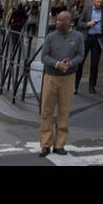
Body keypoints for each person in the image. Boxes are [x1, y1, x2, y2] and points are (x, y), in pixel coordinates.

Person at [38, 10, 85, 157]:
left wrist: (70, 64)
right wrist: (57, 64)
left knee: (64, 111)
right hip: (51, 76)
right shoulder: (51, 37)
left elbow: (80, 55)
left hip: (68, 77)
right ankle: (45, 144)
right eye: (57, 20)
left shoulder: (77, 37)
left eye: (60, 20)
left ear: (68, 22)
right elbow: (44, 56)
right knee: (47, 109)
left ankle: (59, 144)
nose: (57, 22)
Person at [74, 0, 103, 94]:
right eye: (97, 2)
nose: (99, 4)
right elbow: (79, 24)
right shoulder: (87, 10)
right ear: (94, 1)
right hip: (87, 38)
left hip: (98, 39)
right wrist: (88, 24)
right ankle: (75, 85)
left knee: (94, 64)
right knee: (80, 61)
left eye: (101, 2)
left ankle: (92, 86)